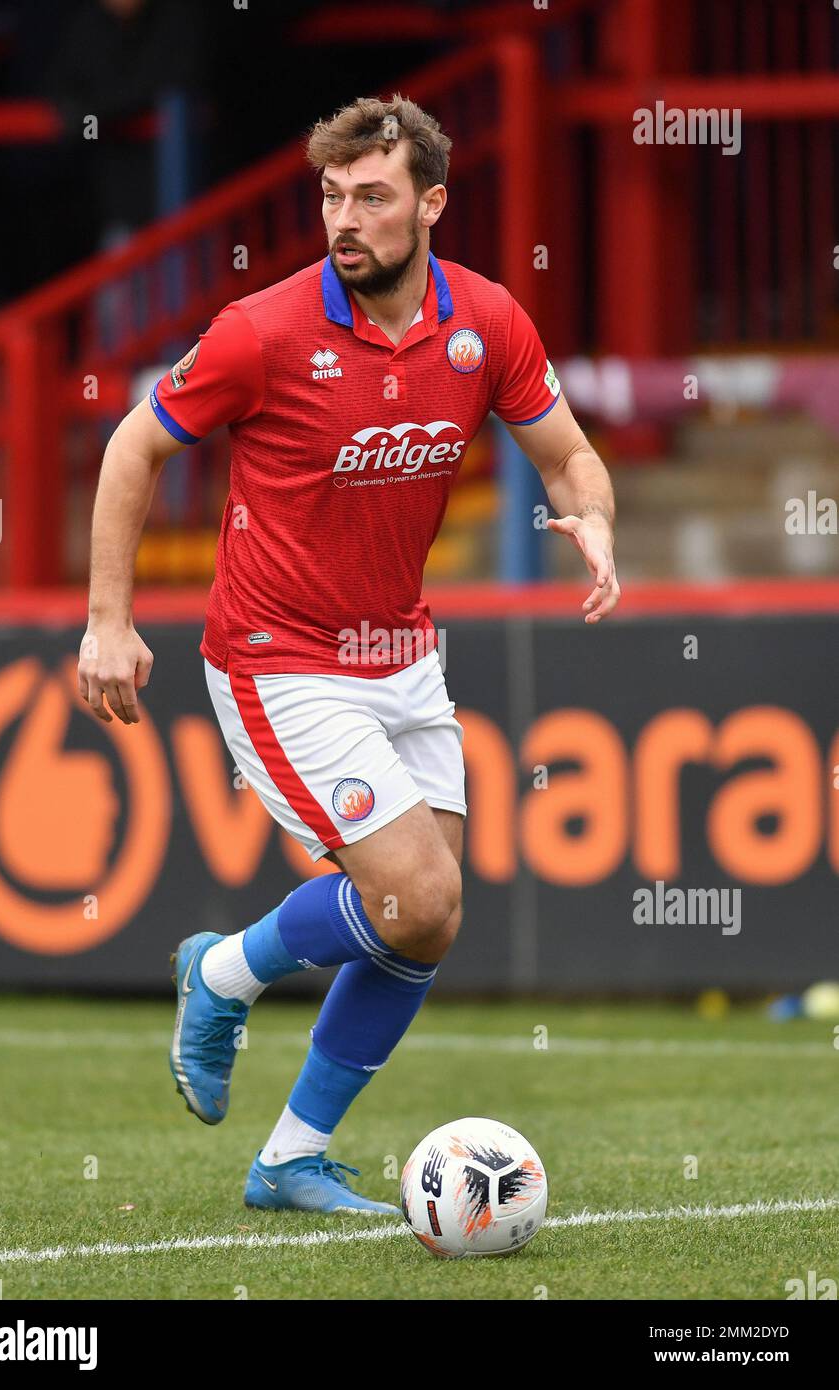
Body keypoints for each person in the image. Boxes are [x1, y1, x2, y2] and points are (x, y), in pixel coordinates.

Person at [77, 95, 620, 1216]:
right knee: (414, 894)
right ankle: (221, 972)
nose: (344, 217)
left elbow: (568, 457)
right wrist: (107, 620)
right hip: (275, 656)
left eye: (370, 195)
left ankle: (284, 1154)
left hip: (400, 655)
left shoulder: (485, 321)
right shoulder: (261, 332)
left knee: (427, 913)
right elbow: (133, 444)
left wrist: (597, 519)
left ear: (429, 203)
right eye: (330, 195)